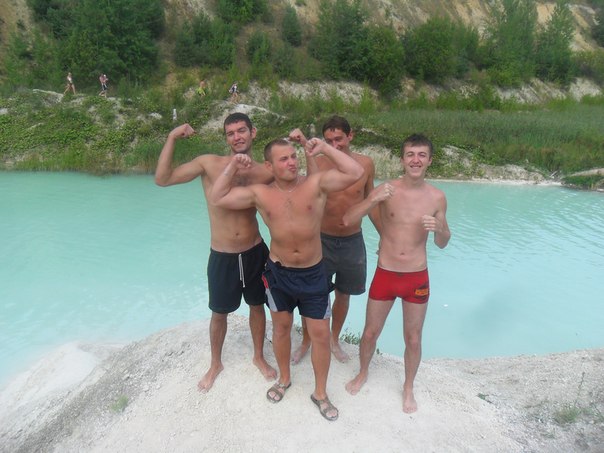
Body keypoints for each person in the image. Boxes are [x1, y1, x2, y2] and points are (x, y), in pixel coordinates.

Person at [209, 137, 364, 421]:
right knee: (281, 329)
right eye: (284, 159)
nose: (292, 162)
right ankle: (284, 379)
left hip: (313, 273)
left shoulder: (315, 184)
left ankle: (320, 393)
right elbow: (217, 197)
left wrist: (325, 148)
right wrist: (232, 166)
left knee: (320, 335)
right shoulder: (260, 193)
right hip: (279, 273)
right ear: (269, 166)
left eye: (293, 156)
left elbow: (355, 172)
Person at [155, 113, 277, 392]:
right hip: (223, 255)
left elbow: (291, 196)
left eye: (242, 130)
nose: (237, 137)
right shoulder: (209, 164)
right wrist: (172, 137)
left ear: (253, 132)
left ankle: (258, 356)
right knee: (219, 312)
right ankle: (215, 363)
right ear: (226, 138)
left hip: (255, 250)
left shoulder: (264, 172)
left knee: (257, 306)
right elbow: (162, 179)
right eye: (230, 133)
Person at [344, 133, 451, 413]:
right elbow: (348, 218)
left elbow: (442, 243)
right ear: (402, 159)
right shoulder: (386, 190)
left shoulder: (437, 197)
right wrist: (372, 199)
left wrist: (440, 229)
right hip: (386, 273)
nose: (416, 160)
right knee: (370, 333)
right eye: (410, 155)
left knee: (413, 338)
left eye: (422, 155)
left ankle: (408, 387)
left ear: (429, 160)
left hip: (416, 276)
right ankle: (363, 372)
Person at [288, 116, 377, 363]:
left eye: (339, 139)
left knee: (344, 294)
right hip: (322, 240)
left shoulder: (366, 164)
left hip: (352, 240)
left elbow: (371, 202)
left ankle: (334, 339)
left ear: (351, 136)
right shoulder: (319, 163)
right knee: (313, 294)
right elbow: (307, 197)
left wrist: (384, 237)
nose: (335, 145)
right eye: (329, 141)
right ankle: (307, 341)